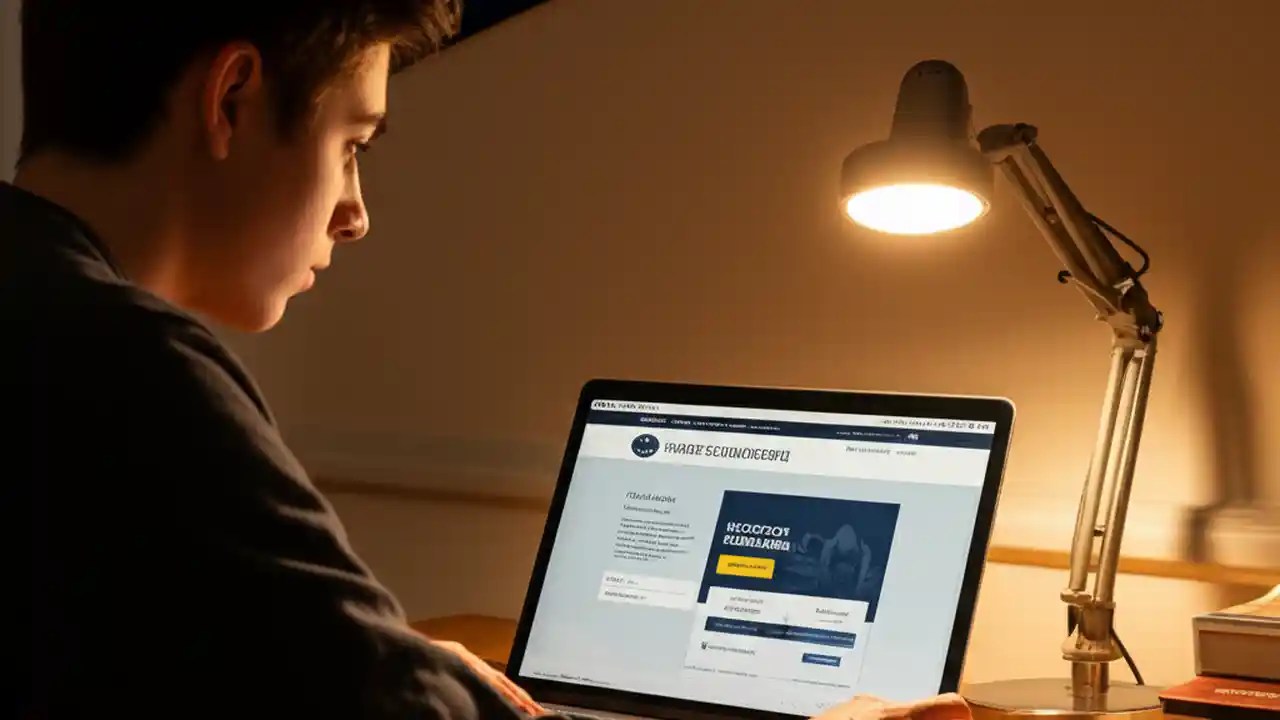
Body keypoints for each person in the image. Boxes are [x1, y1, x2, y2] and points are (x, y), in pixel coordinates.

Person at [2, 2, 976, 719]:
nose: (356, 212)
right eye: (353, 143)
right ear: (234, 97)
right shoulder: (129, 365)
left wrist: (378, 656)